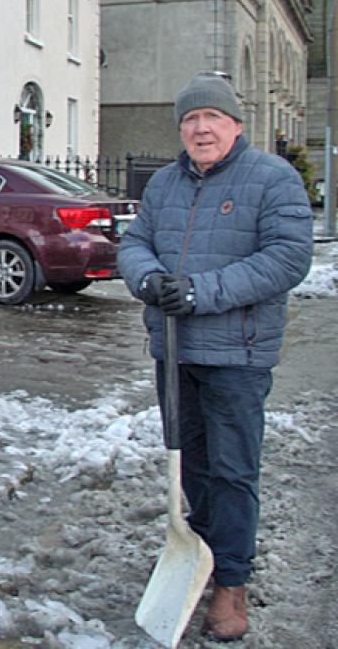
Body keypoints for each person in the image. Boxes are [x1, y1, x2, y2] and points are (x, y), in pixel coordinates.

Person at [118, 72, 313, 642]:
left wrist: (204, 292)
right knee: (189, 463)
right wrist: (148, 278)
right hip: (174, 350)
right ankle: (198, 555)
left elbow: (287, 258)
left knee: (232, 471)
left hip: (237, 354)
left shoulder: (272, 179)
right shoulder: (163, 184)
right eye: (189, 120)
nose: (200, 128)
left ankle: (231, 582)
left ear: (235, 123)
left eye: (211, 118)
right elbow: (135, 242)